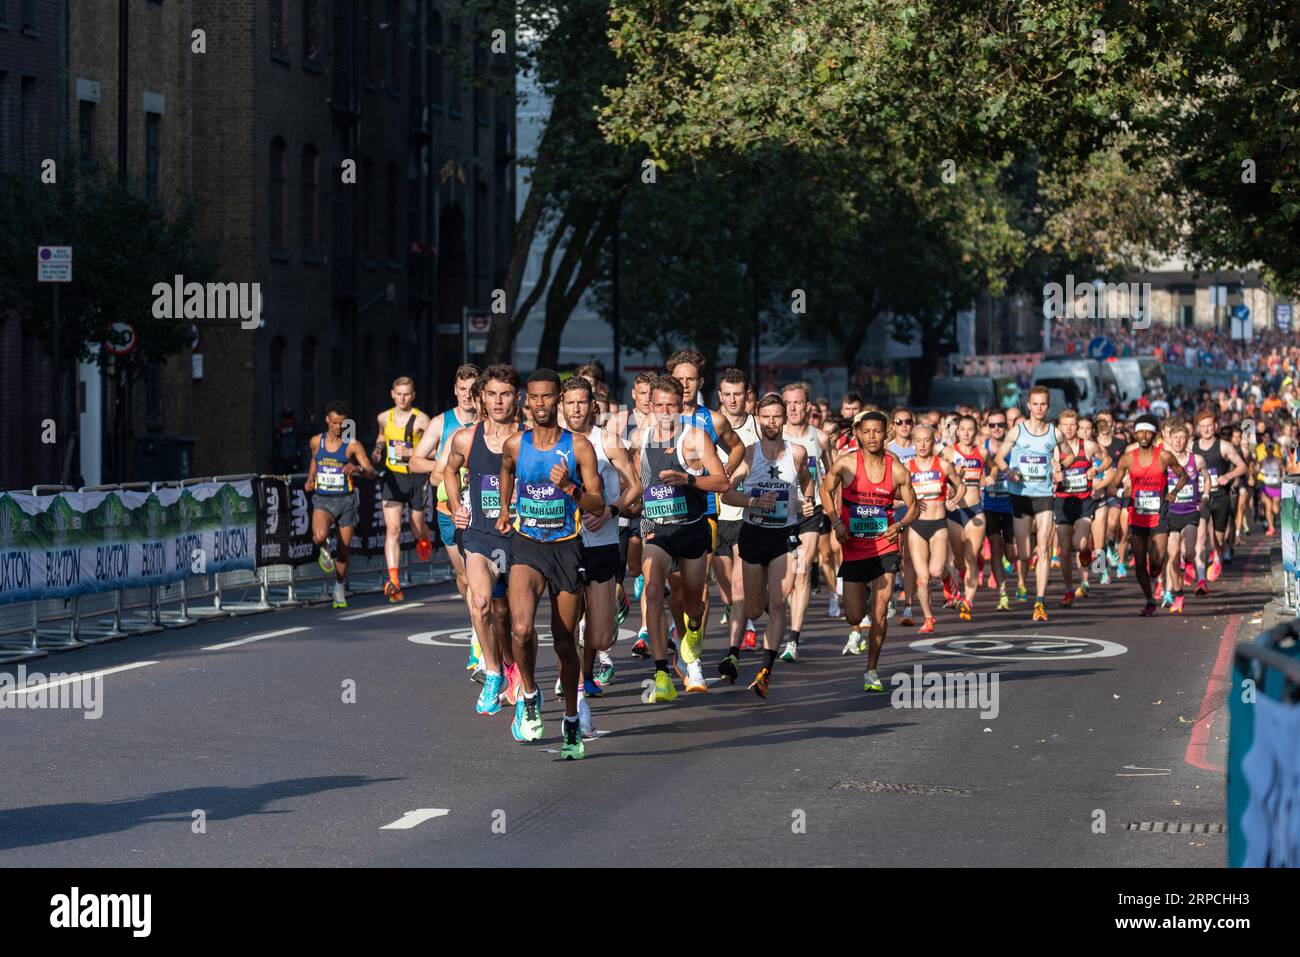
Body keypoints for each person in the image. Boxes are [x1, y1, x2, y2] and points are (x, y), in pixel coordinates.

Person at [495, 369, 606, 760]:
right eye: (535, 398)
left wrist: (569, 488)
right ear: (527, 401)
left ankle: (572, 720)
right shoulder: (513, 444)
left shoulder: (578, 448)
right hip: (527, 544)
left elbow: (598, 503)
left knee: (564, 641)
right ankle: (528, 695)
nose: (541, 404)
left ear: (558, 400)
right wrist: (506, 510)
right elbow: (506, 471)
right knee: (521, 629)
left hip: (566, 547)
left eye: (548, 397)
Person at [630, 375, 730, 701]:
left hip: (691, 529)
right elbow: (637, 485)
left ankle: (694, 629)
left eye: (670, 405)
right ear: (650, 404)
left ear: (681, 404)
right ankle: (661, 673)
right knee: (653, 590)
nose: (664, 411)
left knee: (691, 603)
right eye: (657, 405)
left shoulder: (695, 438)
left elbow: (722, 483)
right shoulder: (641, 438)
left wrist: (686, 479)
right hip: (657, 529)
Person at [562, 376, 642, 737]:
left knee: (601, 637)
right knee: (566, 625)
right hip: (563, 543)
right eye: (570, 403)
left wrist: (611, 510)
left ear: (592, 405)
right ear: (562, 405)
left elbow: (636, 486)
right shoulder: (553, 442)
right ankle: (578, 702)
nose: (576, 409)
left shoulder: (607, 440)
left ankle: (612, 600)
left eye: (582, 402)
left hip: (604, 541)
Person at [439, 365, 521, 715]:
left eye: (505, 394)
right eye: (492, 394)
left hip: (519, 535)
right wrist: (457, 507)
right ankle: (492, 673)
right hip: (479, 534)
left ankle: (518, 669)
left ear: (516, 397)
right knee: (482, 602)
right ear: (481, 398)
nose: (498, 401)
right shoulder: (465, 437)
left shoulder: (528, 437)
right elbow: (449, 470)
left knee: (514, 617)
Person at [717, 394, 812, 695]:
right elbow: (726, 495)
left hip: (783, 537)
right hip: (753, 534)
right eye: (766, 417)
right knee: (755, 609)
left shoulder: (797, 453)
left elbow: (807, 480)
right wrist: (754, 502)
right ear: (758, 419)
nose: (772, 422)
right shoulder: (748, 453)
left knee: (778, 603)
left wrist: (806, 500)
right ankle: (741, 644)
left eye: (777, 416)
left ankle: (765, 671)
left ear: (785, 419)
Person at [821, 411, 918, 691]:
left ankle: (871, 670)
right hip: (854, 546)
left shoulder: (897, 469)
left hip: (885, 545)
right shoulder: (846, 464)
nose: (872, 436)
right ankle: (861, 595)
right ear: (859, 434)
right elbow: (825, 491)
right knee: (853, 616)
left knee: (879, 612)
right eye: (867, 431)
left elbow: (913, 506)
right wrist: (836, 521)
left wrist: (898, 525)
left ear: (886, 433)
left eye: (878, 431)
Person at [1104, 414, 1188, 616]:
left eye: (1147, 431)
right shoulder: (1127, 459)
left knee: (1157, 560)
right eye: (1140, 431)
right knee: (1140, 561)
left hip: (1159, 516)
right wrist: (1120, 493)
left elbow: (1183, 475)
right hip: (1137, 517)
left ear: (1154, 434)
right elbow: (1111, 488)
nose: (1143, 435)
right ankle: (1150, 600)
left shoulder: (1164, 456)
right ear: (1135, 433)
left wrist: (1174, 492)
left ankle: (1157, 573)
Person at [995, 386, 1065, 622]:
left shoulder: (1055, 433)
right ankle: (1022, 558)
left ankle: (1040, 601)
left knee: (1043, 549)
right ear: (1028, 405)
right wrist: (1009, 471)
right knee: (1024, 554)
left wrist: (1059, 469)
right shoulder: (1017, 431)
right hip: (1020, 495)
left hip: (1044, 494)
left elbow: (1069, 456)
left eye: (1043, 404)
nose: (1039, 408)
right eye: (1035, 404)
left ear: (1048, 405)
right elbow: (998, 457)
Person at [304, 401, 378, 609]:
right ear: (327, 419)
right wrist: (310, 478)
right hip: (324, 499)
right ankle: (325, 548)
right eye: (334, 422)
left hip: (346, 501)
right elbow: (315, 460)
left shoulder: (352, 445)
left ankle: (338, 587)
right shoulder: (316, 441)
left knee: (343, 549)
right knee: (319, 536)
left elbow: (371, 471)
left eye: (342, 423)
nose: (338, 427)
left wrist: (356, 468)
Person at [371, 377, 434, 603]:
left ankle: (423, 539)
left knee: (416, 527)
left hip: (416, 477)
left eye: (407, 394)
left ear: (413, 395)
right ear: (392, 394)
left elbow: (437, 448)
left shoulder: (421, 420)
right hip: (392, 476)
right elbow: (381, 435)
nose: (403, 398)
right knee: (393, 529)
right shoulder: (383, 417)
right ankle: (394, 580)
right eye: (399, 394)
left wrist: (415, 454)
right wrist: (378, 450)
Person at [780, 381, 830, 660]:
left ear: (808, 406)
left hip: (811, 512)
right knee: (783, 579)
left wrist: (824, 504)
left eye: (798, 402)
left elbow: (832, 476)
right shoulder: (775, 436)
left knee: (802, 572)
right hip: (780, 514)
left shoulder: (820, 438)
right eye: (788, 403)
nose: (793, 408)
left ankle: (793, 640)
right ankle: (778, 613)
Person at [714, 369, 760, 659]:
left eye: (738, 394)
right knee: (728, 591)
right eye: (727, 395)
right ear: (720, 396)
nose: (733, 400)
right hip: (715, 515)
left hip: (747, 514)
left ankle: (737, 645)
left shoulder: (757, 426)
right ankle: (740, 616)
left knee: (740, 585)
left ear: (747, 396)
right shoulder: (710, 425)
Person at [903, 424, 961, 633]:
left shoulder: (943, 465)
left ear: (933, 441)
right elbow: (897, 494)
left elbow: (960, 486)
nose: (922, 444)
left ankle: (947, 579)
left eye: (926, 440)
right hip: (917, 526)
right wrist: (908, 502)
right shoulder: (907, 468)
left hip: (938, 525)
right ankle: (928, 618)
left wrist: (954, 499)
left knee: (936, 570)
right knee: (923, 578)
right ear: (913, 443)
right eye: (918, 440)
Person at [1050, 409, 1109, 606]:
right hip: (1062, 502)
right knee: (1065, 550)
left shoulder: (1089, 446)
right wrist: (1053, 477)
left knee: (1080, 544)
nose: (1068, 429)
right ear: (1059, 427)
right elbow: (1044, 475)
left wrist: (1096, 469)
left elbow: (1107, 460)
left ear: (1078, 427)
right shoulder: (1053, 450)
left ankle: (1090, 556)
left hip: (1084, 502)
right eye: (1064, 425)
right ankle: (1068, 590)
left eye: (1072, 425)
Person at [1192, 410, 1247, 585]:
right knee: (1200, 536)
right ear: (1198, 428)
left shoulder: (1224, 446)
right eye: (1203, 427)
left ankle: (1217, 557)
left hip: (1220, 497)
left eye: (1210, 426)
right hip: (1201, 498)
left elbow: (1242, 467)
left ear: (1215, 426)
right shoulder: (1191, 447)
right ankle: (1201, 577)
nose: (1207, 430)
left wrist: (1229, 476)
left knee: (1218, 539)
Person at [943, 414, 988, 620]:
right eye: (963, 429)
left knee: (970, 557)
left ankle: (968, 602)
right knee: (960, 561)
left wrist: (990, 479)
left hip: (975, 510)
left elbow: (992, 471)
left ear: (976, 432)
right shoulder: (949, 453)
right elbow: (939, 477)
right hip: (954, 512)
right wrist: (953, 476)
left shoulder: (983, 453)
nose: (967, 433)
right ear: (957, 431)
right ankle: (964, 574)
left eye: (971, 429)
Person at [1162, 419, 1207, 613]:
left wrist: (1205, 496)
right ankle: (1178, 597)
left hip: (1190, 513)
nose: (1179, 441)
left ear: (1186, 439)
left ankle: (1188, 563)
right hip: (1171, 514)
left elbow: (1206, 478)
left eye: (1182, 438)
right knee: (1172, 558)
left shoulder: (1196, 460)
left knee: (1189, 552)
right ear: (1170, 439)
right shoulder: (1164, 460)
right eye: (1176, 438)